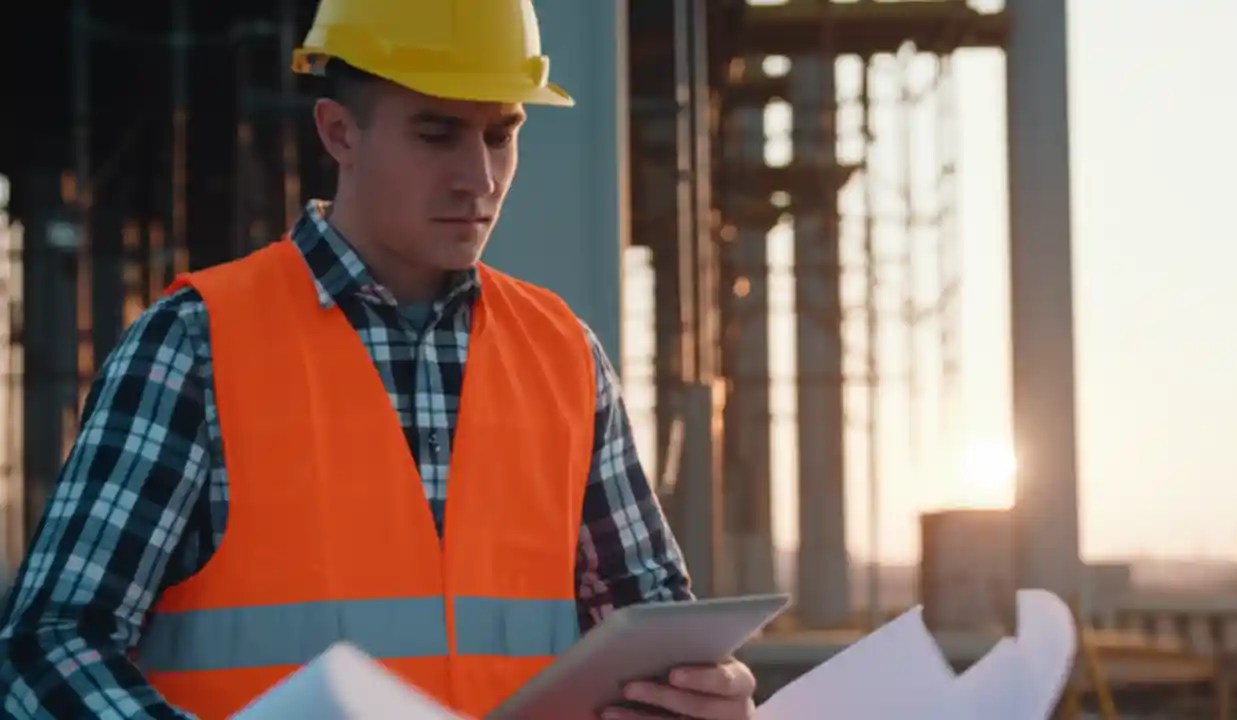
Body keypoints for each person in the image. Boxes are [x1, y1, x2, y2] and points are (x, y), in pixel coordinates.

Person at [0, 0, 759, 718]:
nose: (480, 178)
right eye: (437, 134)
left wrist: (701, 691)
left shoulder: (564, 354)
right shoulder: (194, 346)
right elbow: (47, 646)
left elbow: (653, 625)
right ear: (338, 131)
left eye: (501, 134)